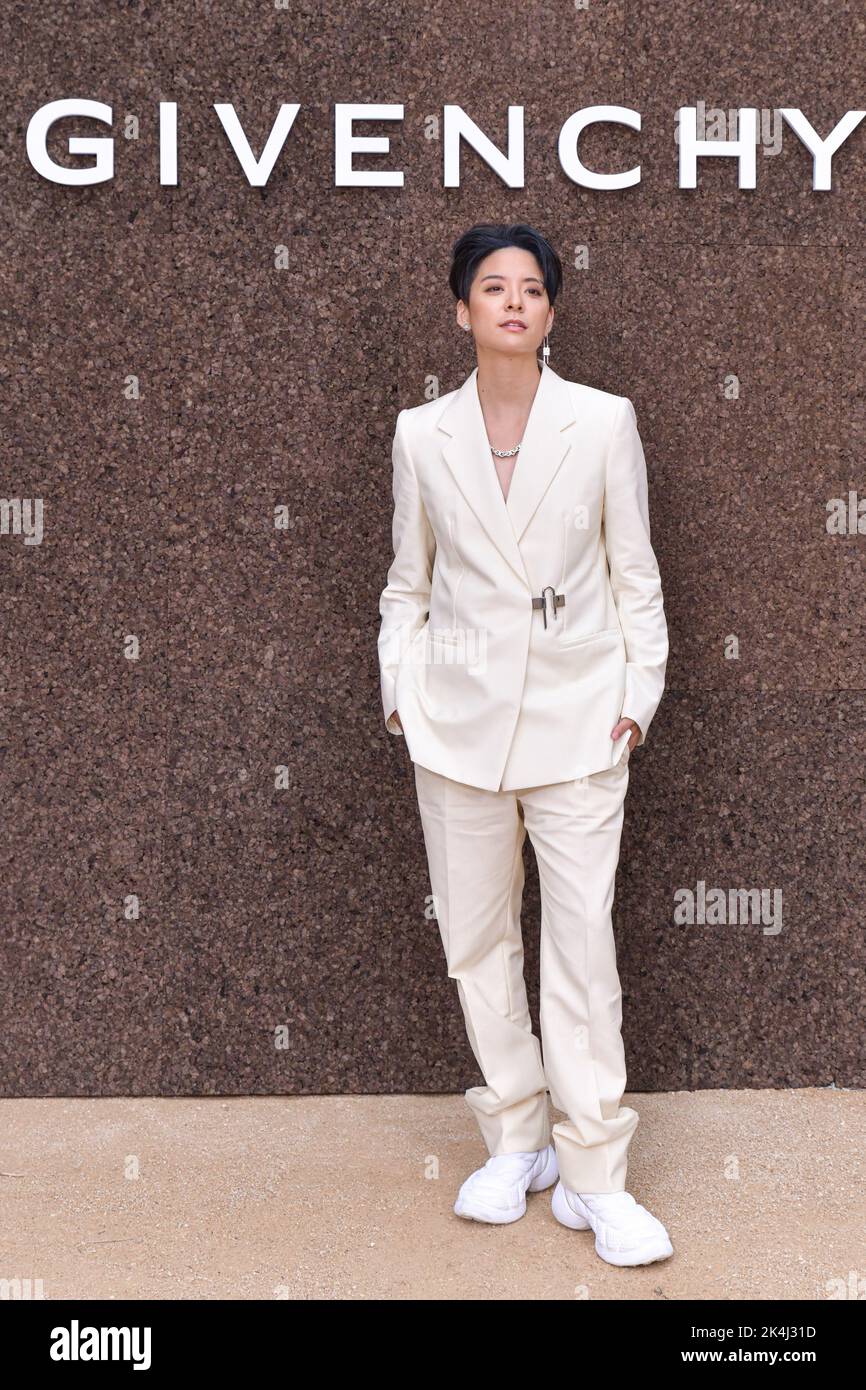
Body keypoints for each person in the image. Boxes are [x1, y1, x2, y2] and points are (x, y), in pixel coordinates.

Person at [376, 222, 672, 1267]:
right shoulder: (421, 434)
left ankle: (595, 1171)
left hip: (579, 723)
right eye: (491, 287)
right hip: (453, 729)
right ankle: (515, 1137)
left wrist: (636, 694)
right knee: (474, 942)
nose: (512, 302)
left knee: (579, 948)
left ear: (550, 312)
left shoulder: (600, 423)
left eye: (531, 288)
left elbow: (632, 571)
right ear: (460, 310)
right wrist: (401, 693)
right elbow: (406, 584)